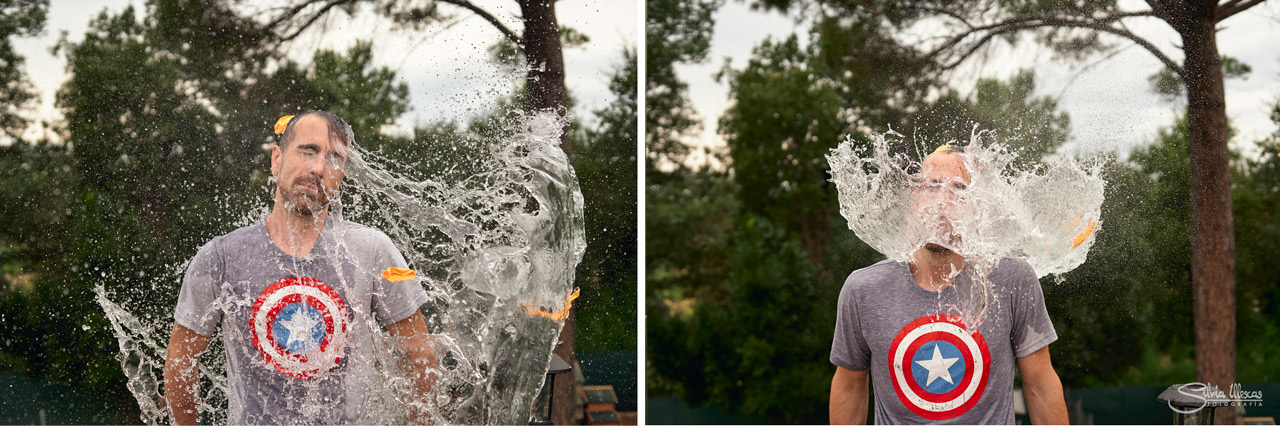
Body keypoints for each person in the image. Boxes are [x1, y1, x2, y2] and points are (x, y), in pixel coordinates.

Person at [162, 110, 438, 425]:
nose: (318, 167)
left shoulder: (373, 251)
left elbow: (421, 356)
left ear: (342, 176)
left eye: (334, 159)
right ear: (276, 159)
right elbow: (180, 365)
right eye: (308, 151)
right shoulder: (220, 257)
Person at [828, 145, 1069, 424]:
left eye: (959, 188)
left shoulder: (1011, 279)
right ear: (913, 198)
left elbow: (1040, 384)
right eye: (932, 186)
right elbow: (849, 385)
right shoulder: (864, 289)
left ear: (978, 206)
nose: (942, 200)